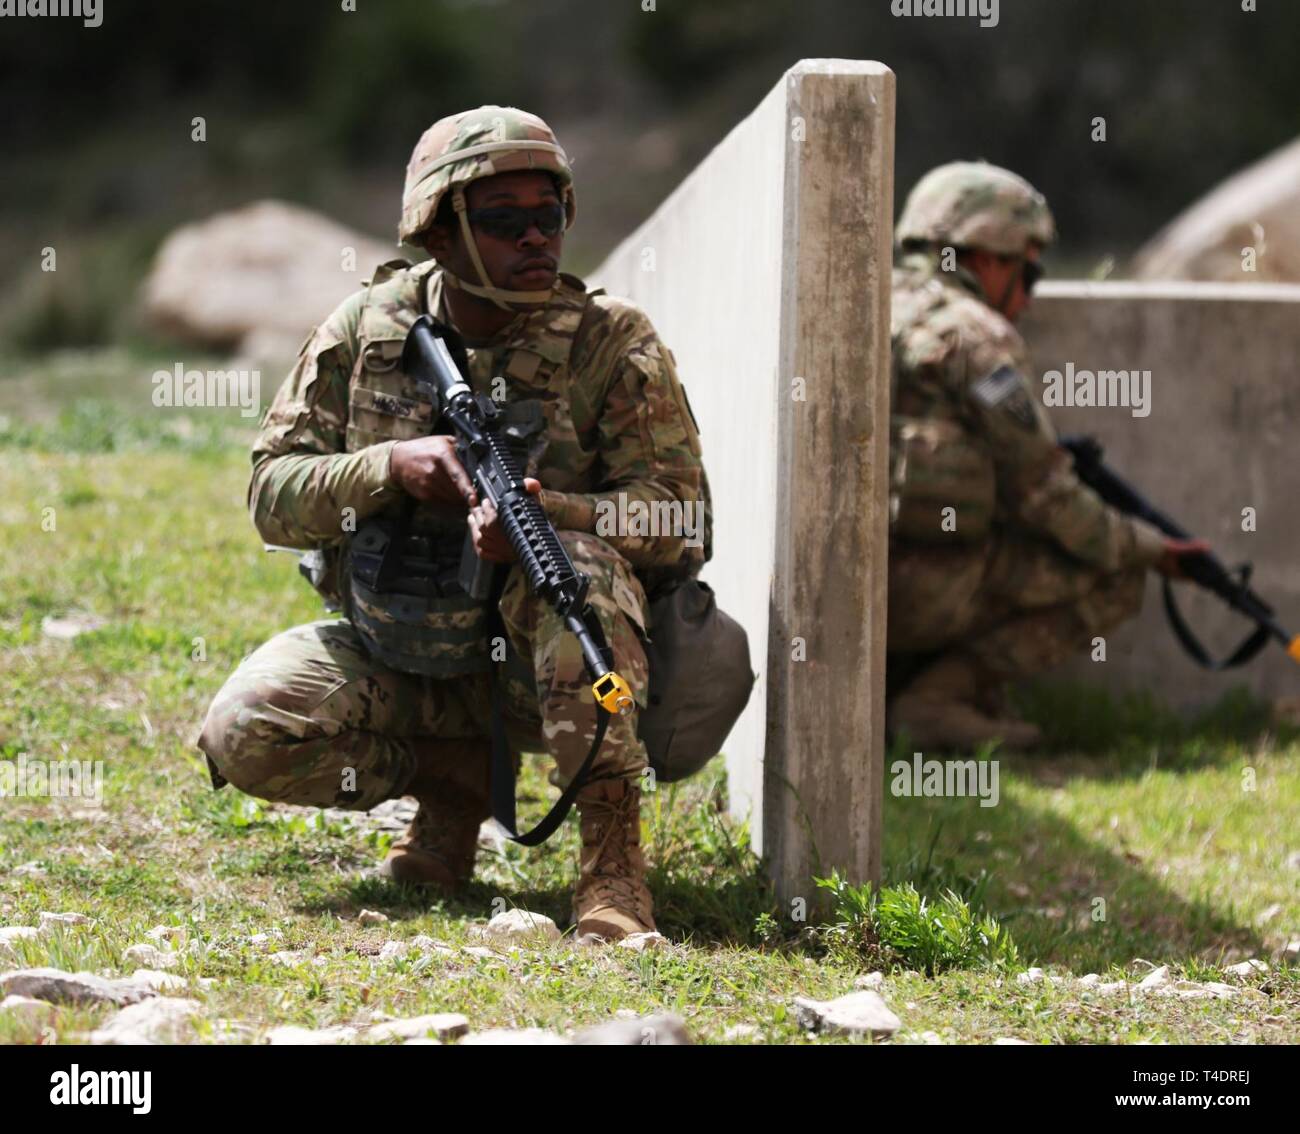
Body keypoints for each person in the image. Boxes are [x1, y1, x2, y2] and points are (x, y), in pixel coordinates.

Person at [197, 106, 708, 942]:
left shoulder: (611, 343)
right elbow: (269, 493)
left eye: (550, 217)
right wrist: (392, 470)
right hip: (401, 656)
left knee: (576, 570)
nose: (538, 240)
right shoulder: (366, 330)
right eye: (507, 223)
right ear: (439, 232)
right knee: (245, 732)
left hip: (544, 677)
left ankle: (612, 870)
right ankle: (450, 782)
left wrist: (551, 517)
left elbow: (683, 518)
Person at [887, 161, 1205, 750]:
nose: (1029, 299)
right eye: (1029, 273)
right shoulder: (973, 338)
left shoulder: (862, 307)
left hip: (842, 597)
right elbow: (1045, 494)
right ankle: (934, 703)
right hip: (919, 597)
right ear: (987, 257)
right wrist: (1151, 548)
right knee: (1115, 576)